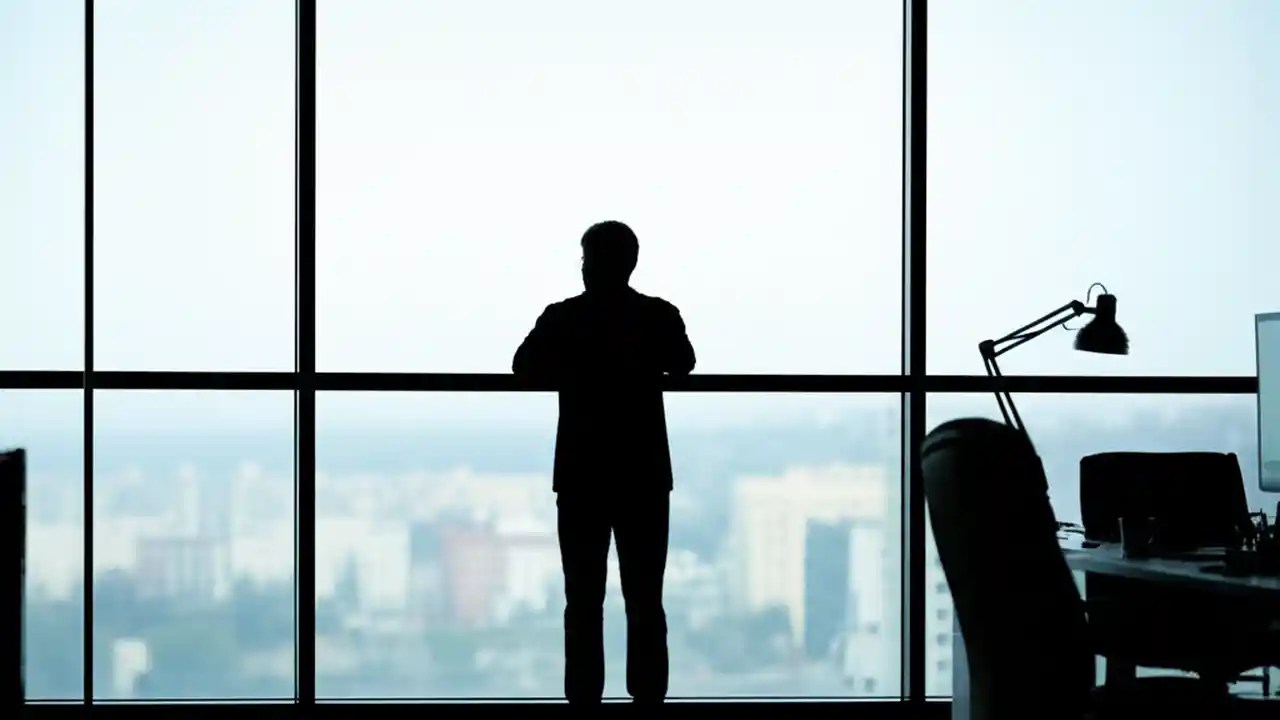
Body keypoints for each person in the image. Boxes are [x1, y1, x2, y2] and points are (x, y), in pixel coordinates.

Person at [512, 220, 695, 704]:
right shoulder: (656, 316)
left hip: (581, 474)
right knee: (645, 599)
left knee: (583, 600)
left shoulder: (563, 318)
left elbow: (523, 366)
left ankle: (585, 701)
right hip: (644, 474)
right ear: (631, 263)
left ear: (590, 263)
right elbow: (684, 362)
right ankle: (648, 698)